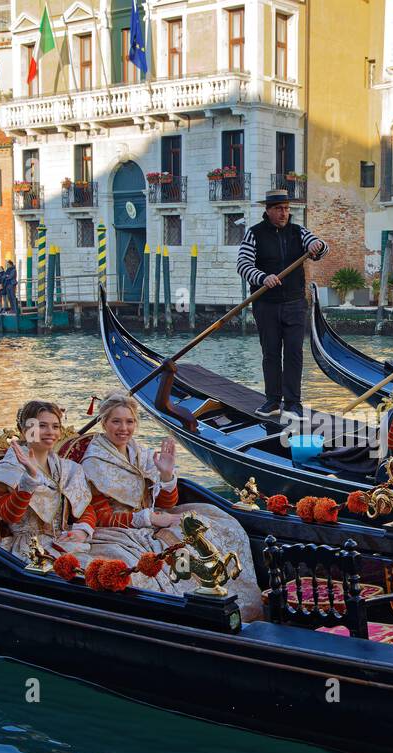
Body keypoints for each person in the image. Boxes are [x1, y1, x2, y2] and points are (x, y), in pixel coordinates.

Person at [78, 391, 263, 621]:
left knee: (221, 526)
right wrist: (149, 519)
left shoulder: (140, 454)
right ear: (104, 422)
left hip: (154, 520)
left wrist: (166, 476)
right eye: (116, 421)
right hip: (117, 531)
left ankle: (241, 607)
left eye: (129, 421)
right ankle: (195, 616)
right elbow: (100, 515)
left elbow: (166, 504)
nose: (123, 428)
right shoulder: (93, 462)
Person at [236, 188, 328, 420]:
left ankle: (293, 404)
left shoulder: (298, 232)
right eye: (279, 209)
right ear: (268, 211)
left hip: (295, 303)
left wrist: (318, 246)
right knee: (271, 353)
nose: (284, 213)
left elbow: (319, 246)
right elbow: (243, 265)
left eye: (286, 209)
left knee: (294, 353)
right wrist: (262, 277)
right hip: (266, 303)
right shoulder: (254, 234)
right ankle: (273, 401)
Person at [0, 400, 98, 561]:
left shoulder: (69, 468)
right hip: (30, 547)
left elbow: (84, 507)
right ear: (24, 430)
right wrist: (29, 481)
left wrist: (81, 531)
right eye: (42, 426)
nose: (51, 432)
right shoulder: (6, 470)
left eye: (55, 426)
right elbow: (8, 516)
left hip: (67, 539)